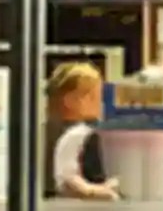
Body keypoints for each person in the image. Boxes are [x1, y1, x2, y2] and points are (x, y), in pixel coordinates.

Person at [48, 62, 118, 201]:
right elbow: (68, 180)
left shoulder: (43, 132)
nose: (100, 103)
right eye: (93, 96)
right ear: (69, 100)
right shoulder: (79, 134)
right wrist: (101, 191)